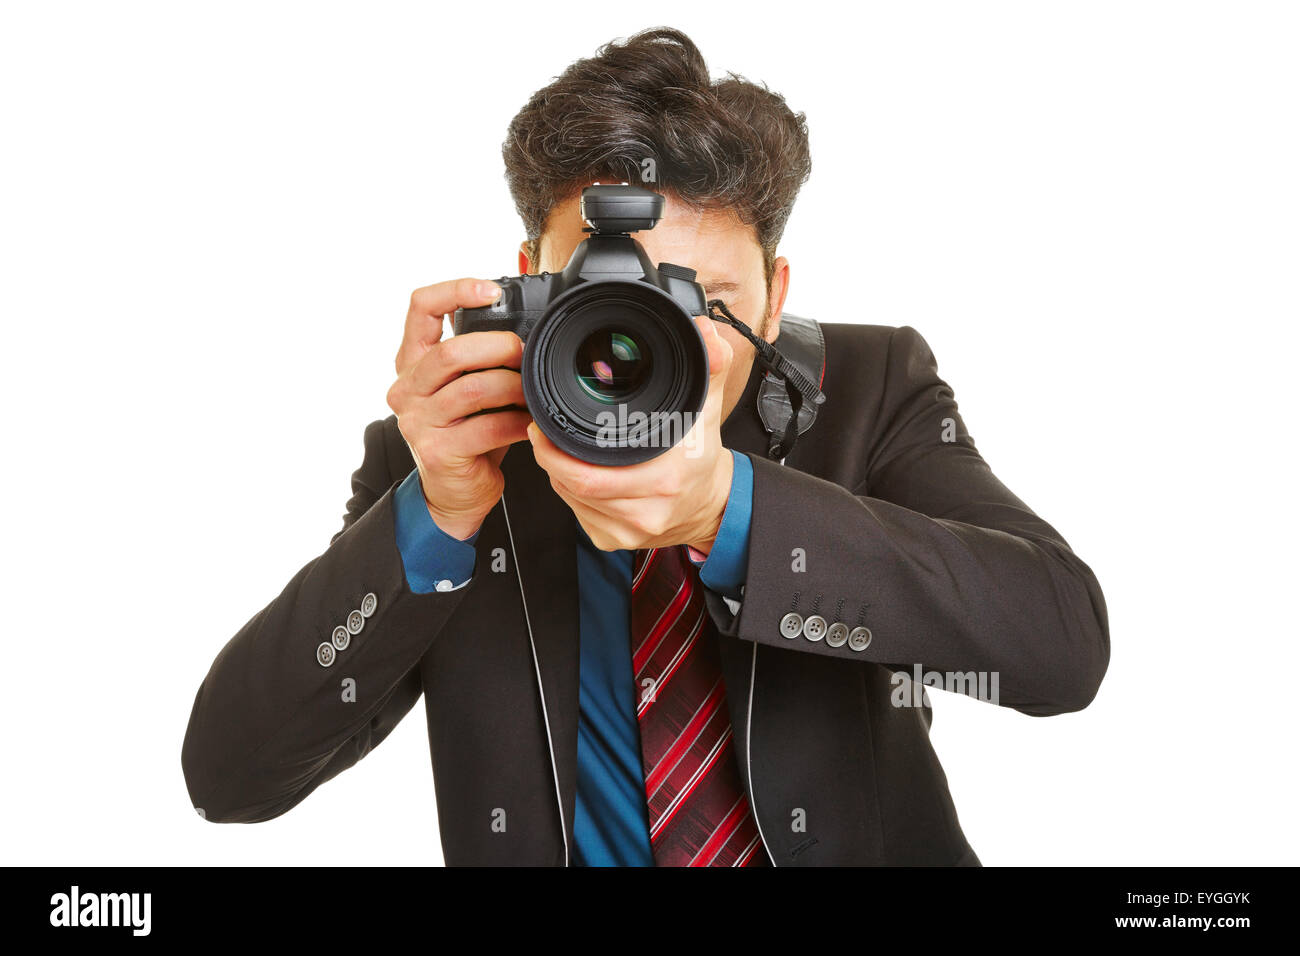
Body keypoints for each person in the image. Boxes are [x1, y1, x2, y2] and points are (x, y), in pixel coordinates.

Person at [181, 26, 1109, 866]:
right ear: (528, 279)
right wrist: (436, 516)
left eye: (704, 302)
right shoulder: (447, 453)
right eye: (606, 297)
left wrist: (732, 511)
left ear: (777, 297)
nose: (652, 346)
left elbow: (1061, 648)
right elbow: (232, 779)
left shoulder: (859, 388)